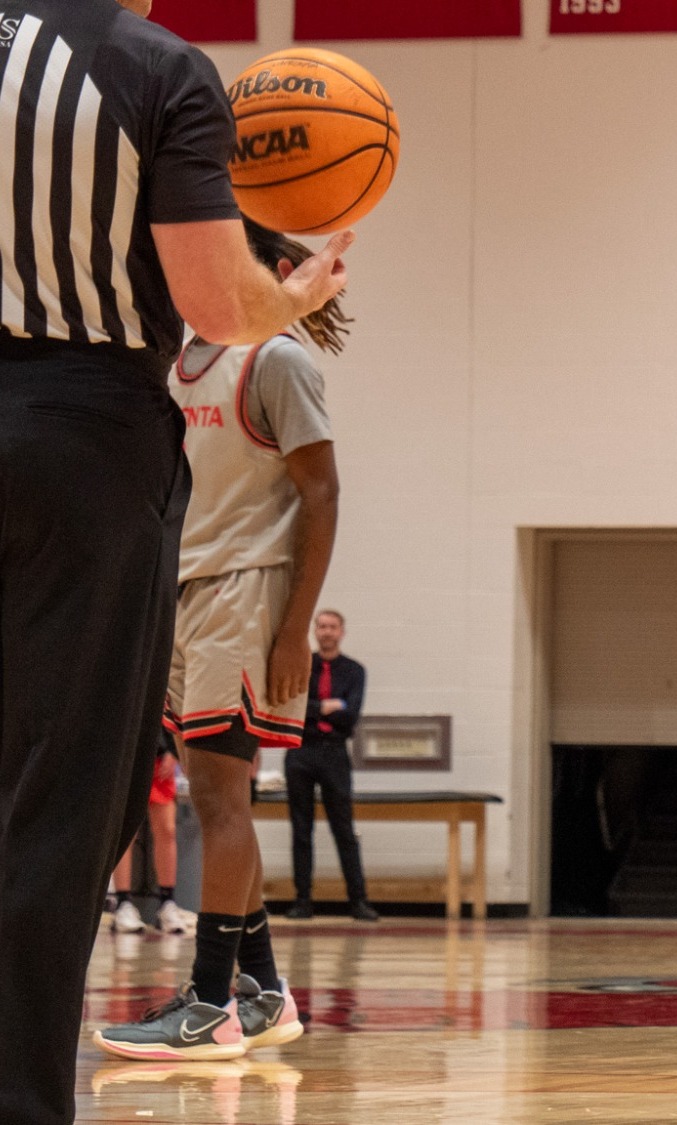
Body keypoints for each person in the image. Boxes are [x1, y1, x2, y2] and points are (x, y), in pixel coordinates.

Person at [0, 0, 350, 1118]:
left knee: (210, 787)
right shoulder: (152, 69)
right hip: (80, 443)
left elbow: (320, 484)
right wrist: (286, 294)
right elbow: (211, 298)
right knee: (61, 809)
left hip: (214, 566)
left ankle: (235, 982)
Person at [96, 219, 348, 1063]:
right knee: (212, 794)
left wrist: (294, 628)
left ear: (275, 272)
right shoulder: (179, 363)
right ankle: (263, 990)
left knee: (218, 798)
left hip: (250, 590)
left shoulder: (277, 358)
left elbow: (322, 493)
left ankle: (209, 1003)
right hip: (186, 594)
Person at [285, 609, 376, 922]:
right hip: (300, 751)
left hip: (334, 753)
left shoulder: (354, 671)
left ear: (341, 632)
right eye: (321, 626)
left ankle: (359, 901)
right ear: (314, 630)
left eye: (332, 627)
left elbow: (351, 716)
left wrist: (317, 710)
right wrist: (327, 706)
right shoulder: (301, 665)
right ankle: (302, 901)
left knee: (344, 828)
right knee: (301, 829)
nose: (326, 632)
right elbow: (291, 707)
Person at [106, 732, 196, 935]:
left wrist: (173, 751)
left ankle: (167, 903)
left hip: (160, 754)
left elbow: (171, 705)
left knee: (167, 829)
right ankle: (123, 904)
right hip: (128, 753)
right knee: (126, 831)